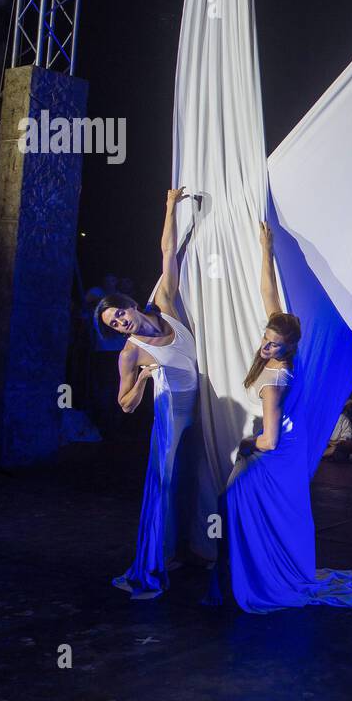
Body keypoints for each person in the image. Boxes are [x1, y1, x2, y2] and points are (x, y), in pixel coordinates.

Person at [206, 222, 352, 613]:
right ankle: (242, 574)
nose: (266, 345)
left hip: (278, 449)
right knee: (256, 510)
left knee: (234, 501)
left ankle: (243, 578)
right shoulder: (285, 343)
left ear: (289, 345)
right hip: (289, 447)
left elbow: (270, 440)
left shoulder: (275, 378)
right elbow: (268, 294)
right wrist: (266, 248)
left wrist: (245, 444)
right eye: (266, 339)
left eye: (274, 343)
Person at [101, 187, 197, 600]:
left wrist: (170, 206)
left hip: (199, 403)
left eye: (119, 313)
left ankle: (180, 549)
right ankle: (151, 563)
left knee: (193, 479)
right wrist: (142, 378)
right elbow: (124, 406)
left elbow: (168, 253)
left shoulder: (165, 306)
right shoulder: (130, 354)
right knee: (161, 484)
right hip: (169, 414)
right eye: (112, 323)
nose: (119, 322)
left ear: (130, 305)